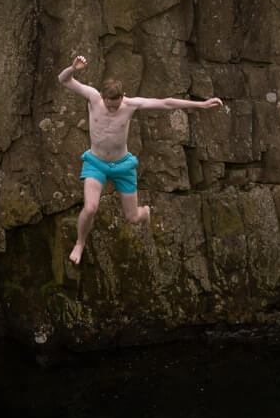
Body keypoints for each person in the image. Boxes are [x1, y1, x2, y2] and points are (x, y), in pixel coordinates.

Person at [58, 54, 224, 265]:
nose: (112, 109)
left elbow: (165, 103)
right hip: (96, 163)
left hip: (122, 165)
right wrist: (73, 68)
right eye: (109, 106)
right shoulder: (93, 97)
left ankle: (145, 212)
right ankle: (80, 243)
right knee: (90, 208)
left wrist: (200, 105)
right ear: (102, 96)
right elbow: (64, 80)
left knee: (133, 218)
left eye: (116, 105)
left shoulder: (130, 104)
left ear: (123, 97)